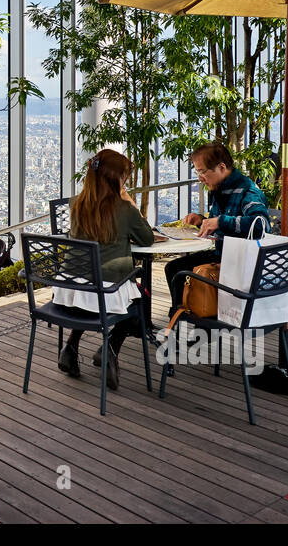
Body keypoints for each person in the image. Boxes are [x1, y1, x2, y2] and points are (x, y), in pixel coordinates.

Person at [55, 149, 155, 391]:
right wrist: (129, 201)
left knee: (90, 296)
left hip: (69, 290)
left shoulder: (77, 204)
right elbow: (147, 238)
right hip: (102, 291)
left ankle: (70, 347)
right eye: (124, 178)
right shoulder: (124, 208)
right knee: (138, 302)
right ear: (116, 180)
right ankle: (109, 350)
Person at [165, 141, 269, 312]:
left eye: (202, 171)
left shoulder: (248, 190)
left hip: (240, 264)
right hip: (223, 255)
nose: (200, 178)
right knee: (174, 268)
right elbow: (223, 223)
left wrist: (220, 221)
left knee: (177, 271)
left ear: (221, 167)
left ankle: (189, 320)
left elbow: (261, 225)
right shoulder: (219, 189)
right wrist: (202, 220)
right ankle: (185, 318)